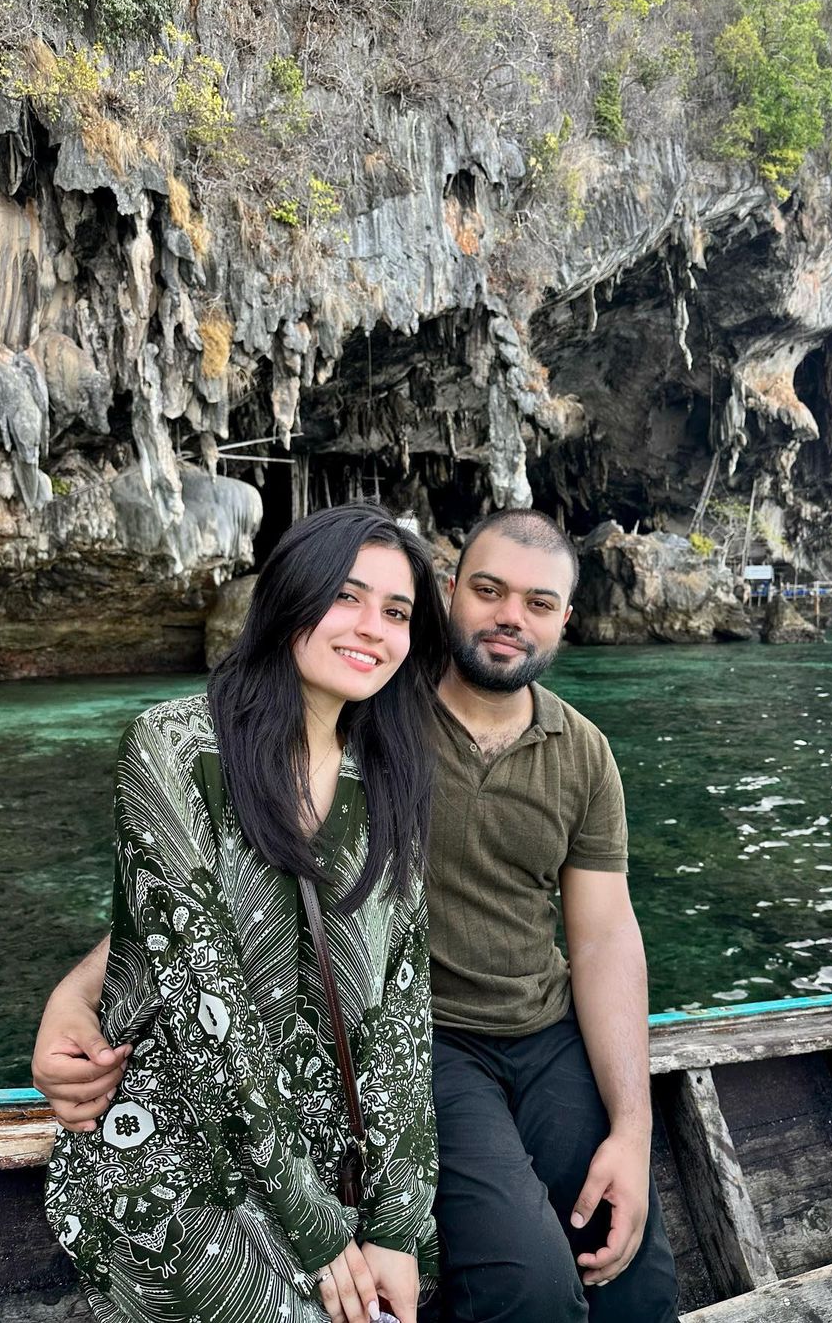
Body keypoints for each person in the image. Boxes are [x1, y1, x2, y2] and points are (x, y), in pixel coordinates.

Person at [34, 508, 680, 1323]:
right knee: (526, 1290)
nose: (510, 616)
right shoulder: (274, 734)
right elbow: (202, 941)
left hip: (432, 1082)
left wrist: (630, 1130)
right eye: (487, 590)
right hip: (284, 1103)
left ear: (565, 619)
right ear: (452, 595)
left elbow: (570, 949)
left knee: (636, 1275)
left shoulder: (475, 759)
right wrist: (74, 994)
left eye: (393, 612)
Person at [42, 504, 449, 1323]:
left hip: (331, 1157)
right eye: (347, 596)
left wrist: (401, 1227)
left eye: (397, 612)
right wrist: (318, 1233)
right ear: (292, 598)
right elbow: (203, 1000)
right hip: (175, 1143)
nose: (373, 628)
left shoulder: (390, 774)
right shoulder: (174, 746)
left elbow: (401, 1009)